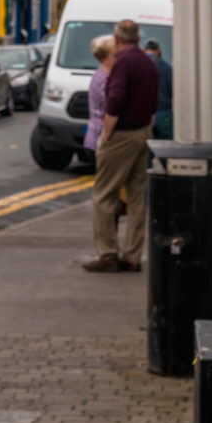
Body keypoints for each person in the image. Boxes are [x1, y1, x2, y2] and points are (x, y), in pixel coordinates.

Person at [82, 18, 160, 273]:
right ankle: (133, 256)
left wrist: (107, 133)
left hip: (122, 133)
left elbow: (114, 99)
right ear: (138, 38)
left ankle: (107, 254)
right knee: (137, 196)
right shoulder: (148, 63)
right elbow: (154, 99)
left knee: (104, 194)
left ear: (117, 39)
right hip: (143, 132)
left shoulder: (123, 64)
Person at [83, 35, 116, 155]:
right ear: (104, 57)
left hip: (94, 137)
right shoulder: (106, 79)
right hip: (101, 139)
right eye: (115, 55)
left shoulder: (99, 73)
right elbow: (111, 110)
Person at [145, 39, 173, 139]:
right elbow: (172, 90)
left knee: (147, 147)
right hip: (163, 113)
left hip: (144, 114)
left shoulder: (139, 65)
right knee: (165, 148)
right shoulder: (166, 67)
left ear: (145, 50)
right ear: (158, 50)